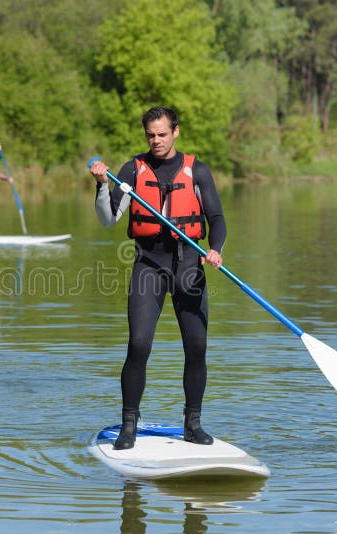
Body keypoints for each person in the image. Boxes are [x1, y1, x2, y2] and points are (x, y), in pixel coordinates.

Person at [88, 106, 227, 450]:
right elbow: (108, 220)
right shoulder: (132, 171)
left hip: (191, 267)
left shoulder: (198, 171)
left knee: (196, 348)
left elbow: (217, 217)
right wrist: (102, 186)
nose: (156, 141)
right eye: (151, 135)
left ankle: (192, 425)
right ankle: (129, 425)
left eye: (162, 134)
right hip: (149, 266)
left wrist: (216, 248)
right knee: (138, 345)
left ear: (175, 132)